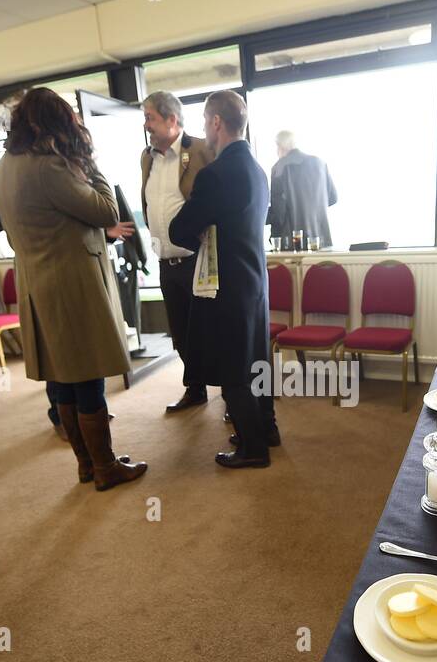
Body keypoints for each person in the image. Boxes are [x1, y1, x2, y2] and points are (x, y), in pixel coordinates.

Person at [0, 87, 145, 491]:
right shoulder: (50, 166)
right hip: (72, 286)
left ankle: (86, 464)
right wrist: (91, 163)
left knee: (63, 380)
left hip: (36, 287)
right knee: (87, 379)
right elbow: (106, 211)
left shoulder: (2, 167)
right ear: (56, 123)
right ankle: (105, 468)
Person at [170, 91, 280, 469]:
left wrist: (200, 231)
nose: (204, 129)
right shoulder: (257, 170)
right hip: (254, 281)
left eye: (204, 121)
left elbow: (179, 228)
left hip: (226, 284)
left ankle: (253, 449)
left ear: (217, 122)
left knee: (233, 365)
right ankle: (267, 430)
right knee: (256, 361)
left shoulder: (215, 174)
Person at [136, 90, 214, 413]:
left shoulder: (199, 149)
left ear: (172, 120)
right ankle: (194, 389)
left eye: (150, 118)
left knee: (211, 332)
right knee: (180, 335)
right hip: (166, 262)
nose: (146, 125)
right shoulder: (146, 157)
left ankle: (231, 397)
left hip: (198, 259)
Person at [268, 131, 337, 249]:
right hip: (321, 239)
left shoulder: (279, 167)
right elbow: (333, 198)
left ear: (281, 146)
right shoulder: (320, 163)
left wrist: (274, 235)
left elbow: (278, 212)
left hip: (293, 242)